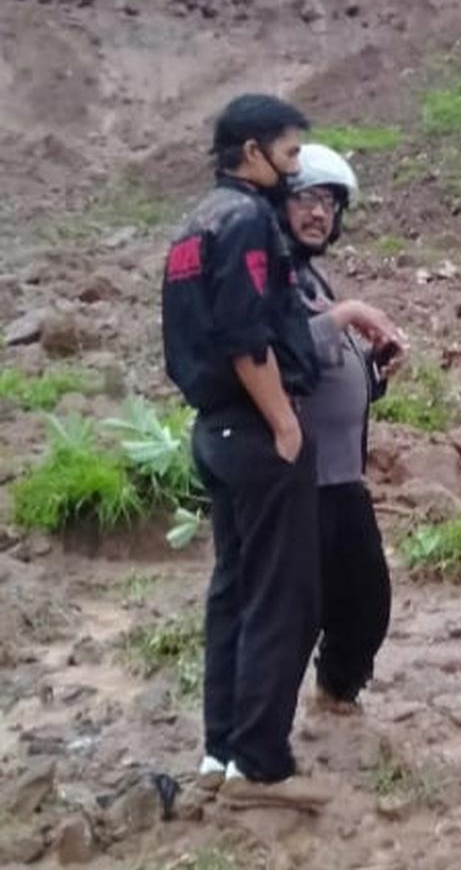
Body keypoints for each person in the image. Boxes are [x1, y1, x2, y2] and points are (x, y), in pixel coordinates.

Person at [162, 95, 389, 810]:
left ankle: (223, 755)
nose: (296, 174)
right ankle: (259, 767)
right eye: (290, 157)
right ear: (254, 152)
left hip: (218, 429)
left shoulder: (200, 220)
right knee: (278, 602)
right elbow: (246, 335)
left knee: (236, 594)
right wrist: (284, 424)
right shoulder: (248, 222)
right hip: (256, 433)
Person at [279, 145, 402, 714]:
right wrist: (349, 315)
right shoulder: (271, 278)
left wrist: (373, 372)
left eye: (329, 203)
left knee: (366, 600)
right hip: (299, 481)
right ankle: (261, 733)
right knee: (295, 613)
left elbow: (326, 375)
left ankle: (334, 695)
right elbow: (281, 353)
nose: (319, 213)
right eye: (307, 198)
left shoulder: (314, 280)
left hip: (342, 477)